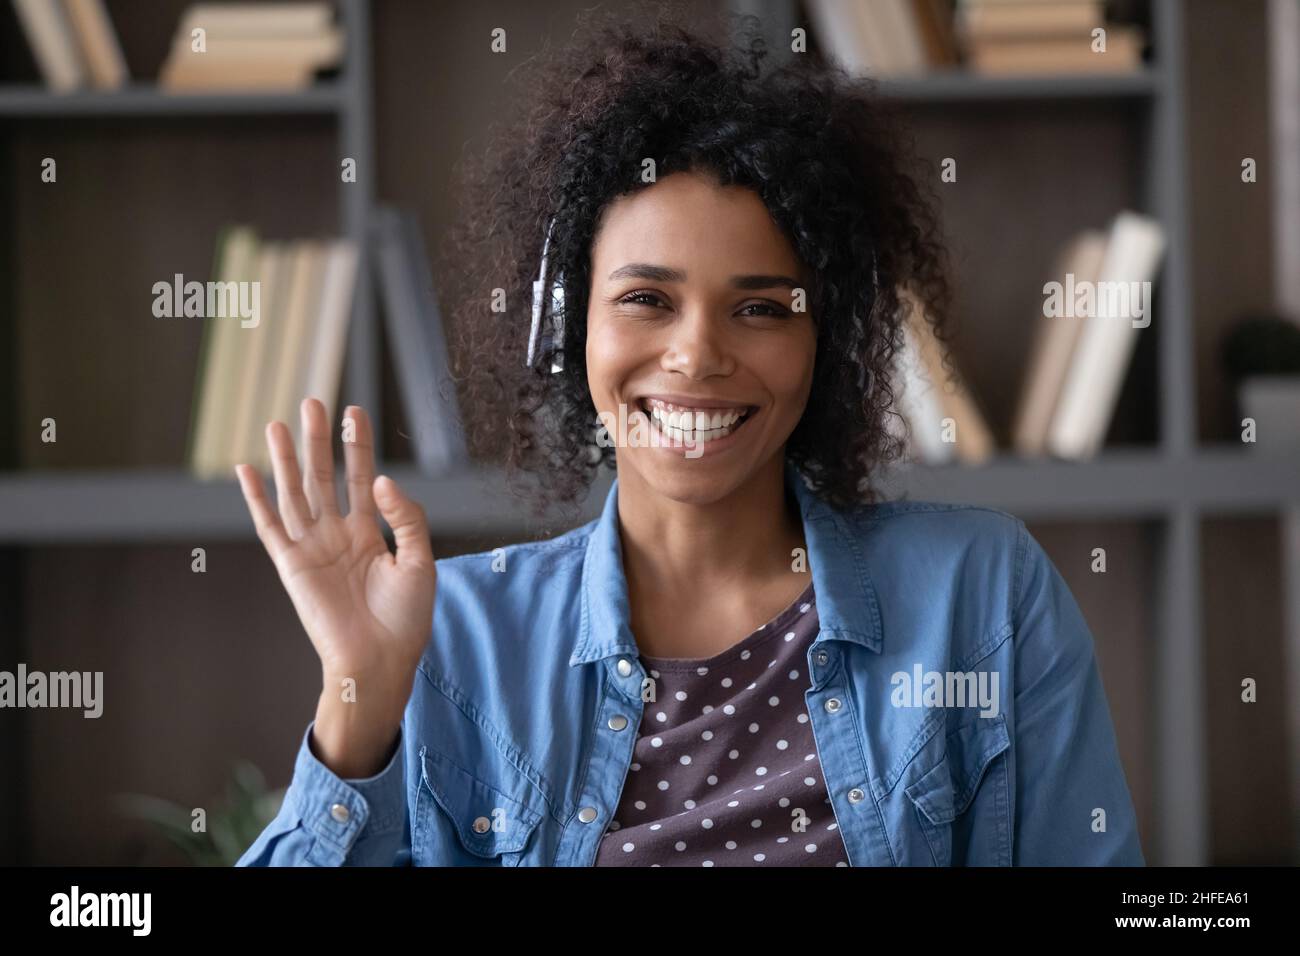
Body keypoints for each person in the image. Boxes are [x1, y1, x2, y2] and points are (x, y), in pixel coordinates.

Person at [234, 8, 1143, 867]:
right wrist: (357, 703)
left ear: (827, 340)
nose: (697, 353)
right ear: (566, 328)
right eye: (645, 300)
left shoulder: (981, 599)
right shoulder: (452, 636)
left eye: (759, 307)